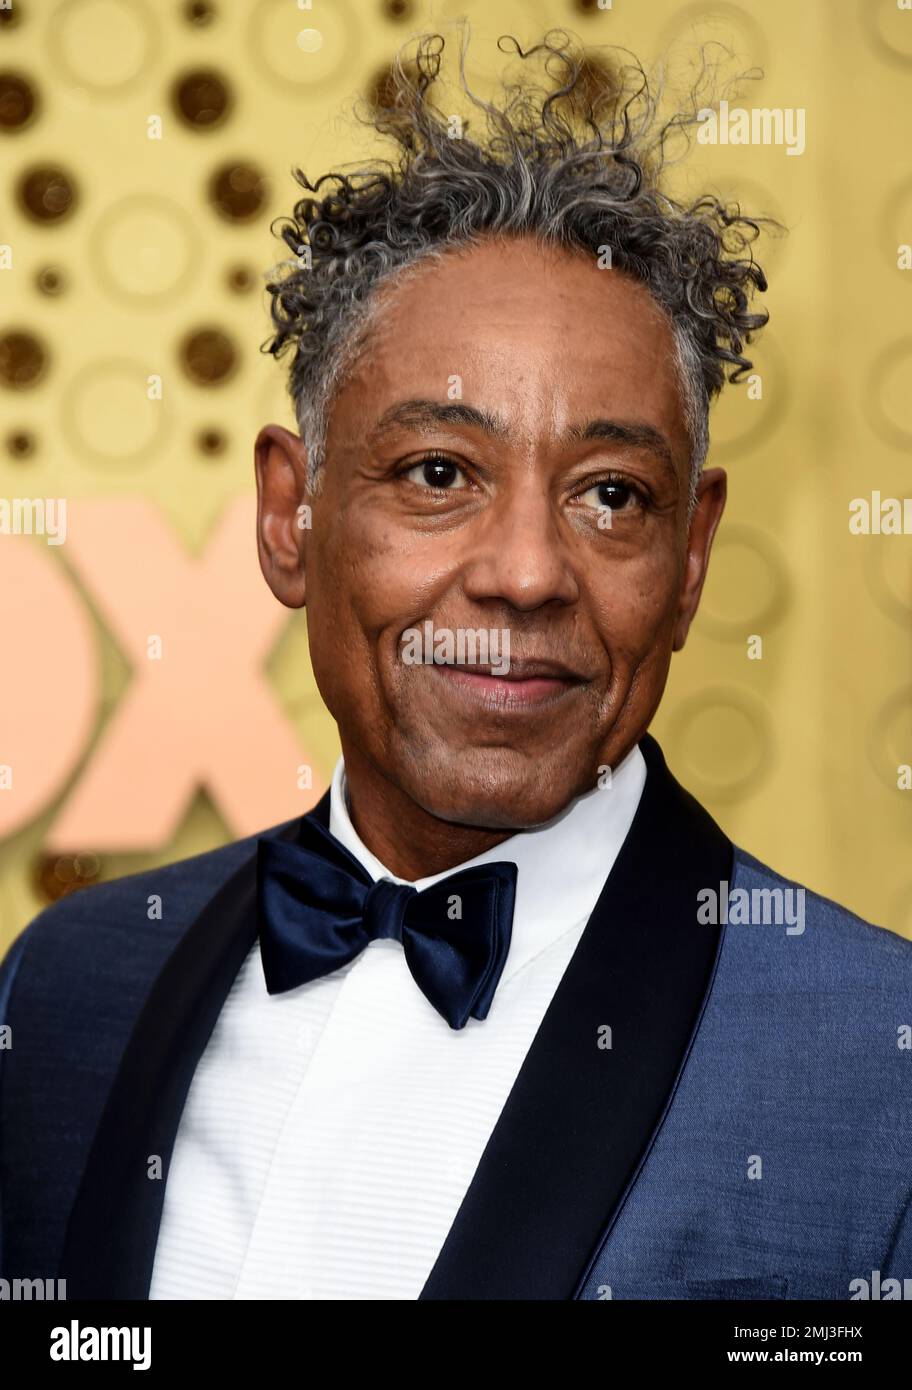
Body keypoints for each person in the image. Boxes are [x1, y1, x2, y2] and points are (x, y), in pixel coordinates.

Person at [1, 29, 910, 1302]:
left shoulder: (876, 1065)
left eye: (609, 494)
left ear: (692, 557)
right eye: (438, 473)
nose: (528, 572)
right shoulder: (68, 989)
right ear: (289, 517)